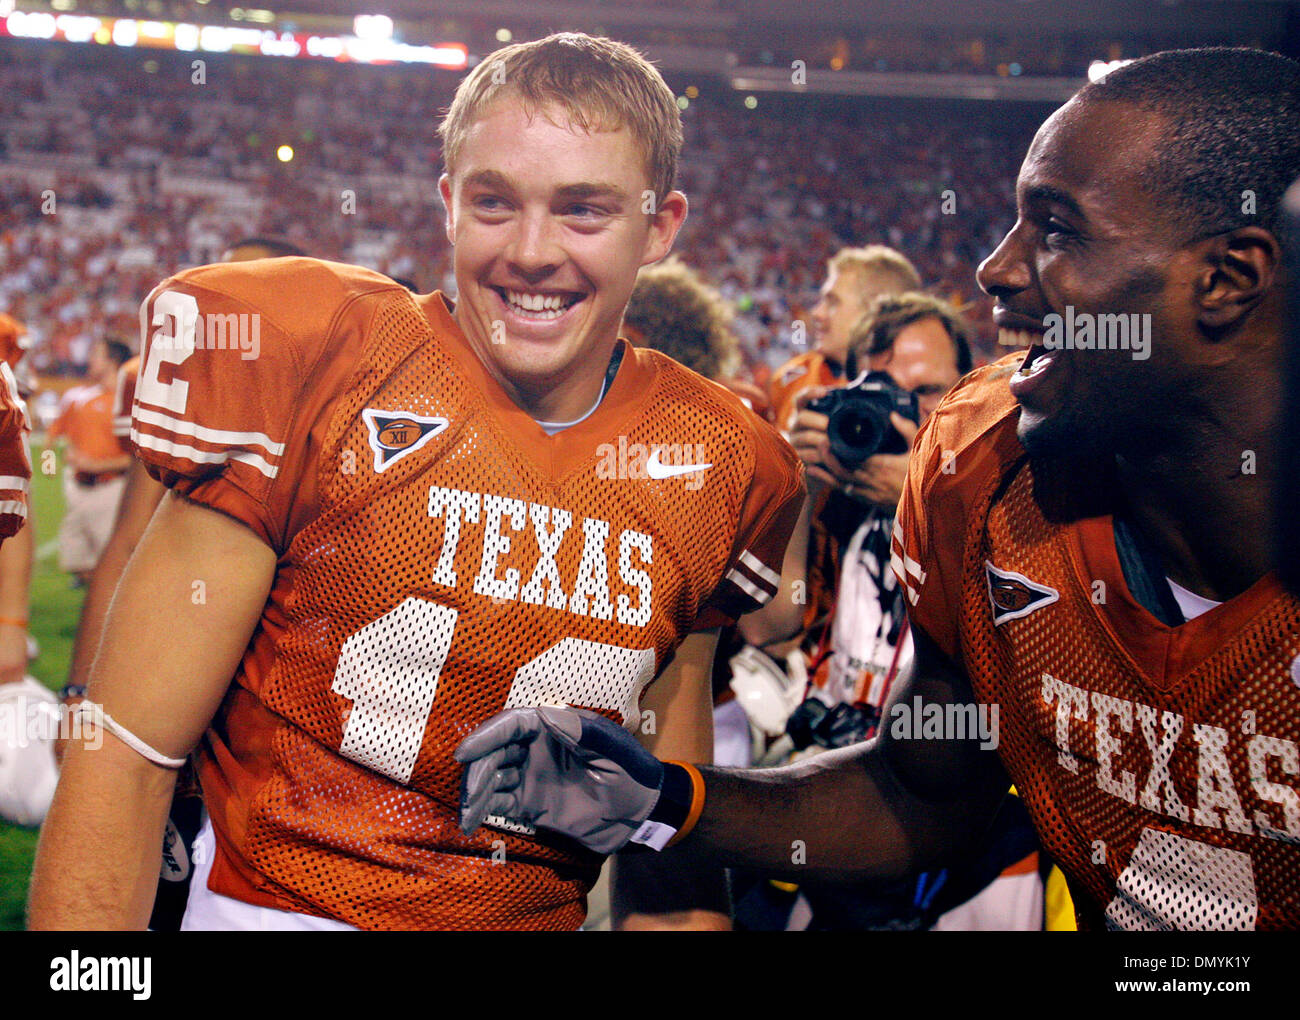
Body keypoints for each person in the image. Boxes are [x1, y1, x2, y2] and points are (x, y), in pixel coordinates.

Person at [456, 47, 1300, 931]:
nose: (998, 270)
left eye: (1056, 229)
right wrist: (663, 798)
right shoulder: (983, 469)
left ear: (1227, 278)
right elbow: (919, 790)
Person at [29, 32, 803, 931]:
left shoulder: (720, 457)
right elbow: (125, 752)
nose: (533, 250)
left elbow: (669, 825)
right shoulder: (323, 362)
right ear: (447, 204)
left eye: (584, 210)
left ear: (660, 227)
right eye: (493, 202)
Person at [768, 246, 921, 434]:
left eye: (832, 302)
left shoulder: (923, 393)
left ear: (877, 313)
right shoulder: (791, 379)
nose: (817, 313)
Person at [45, 338, 132, 584]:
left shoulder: (129, 401)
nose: (89, 359)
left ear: (113, 361)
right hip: (77, 487)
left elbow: (141, 457)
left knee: (113, 566)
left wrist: (98, 466)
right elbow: (52, 438)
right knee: (78, 565)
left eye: (96, 353)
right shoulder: (78, 397)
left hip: (112, 488)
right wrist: (50, 469)